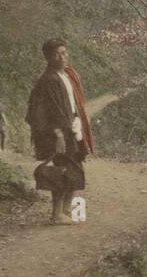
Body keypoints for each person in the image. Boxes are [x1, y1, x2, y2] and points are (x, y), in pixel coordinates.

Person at [25, 39, 95, 225]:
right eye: (58, 54)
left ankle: (65, 210)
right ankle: (56, 214)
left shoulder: (67, 75)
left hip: (72, 128)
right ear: (48, 57)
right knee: (61, 171)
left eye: (64, 53)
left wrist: (77, 122)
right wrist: (57, 133)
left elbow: (74, 104)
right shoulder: (48, 80)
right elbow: (40, 111)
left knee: (75, 168)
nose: (63, 57)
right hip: (60, 133)